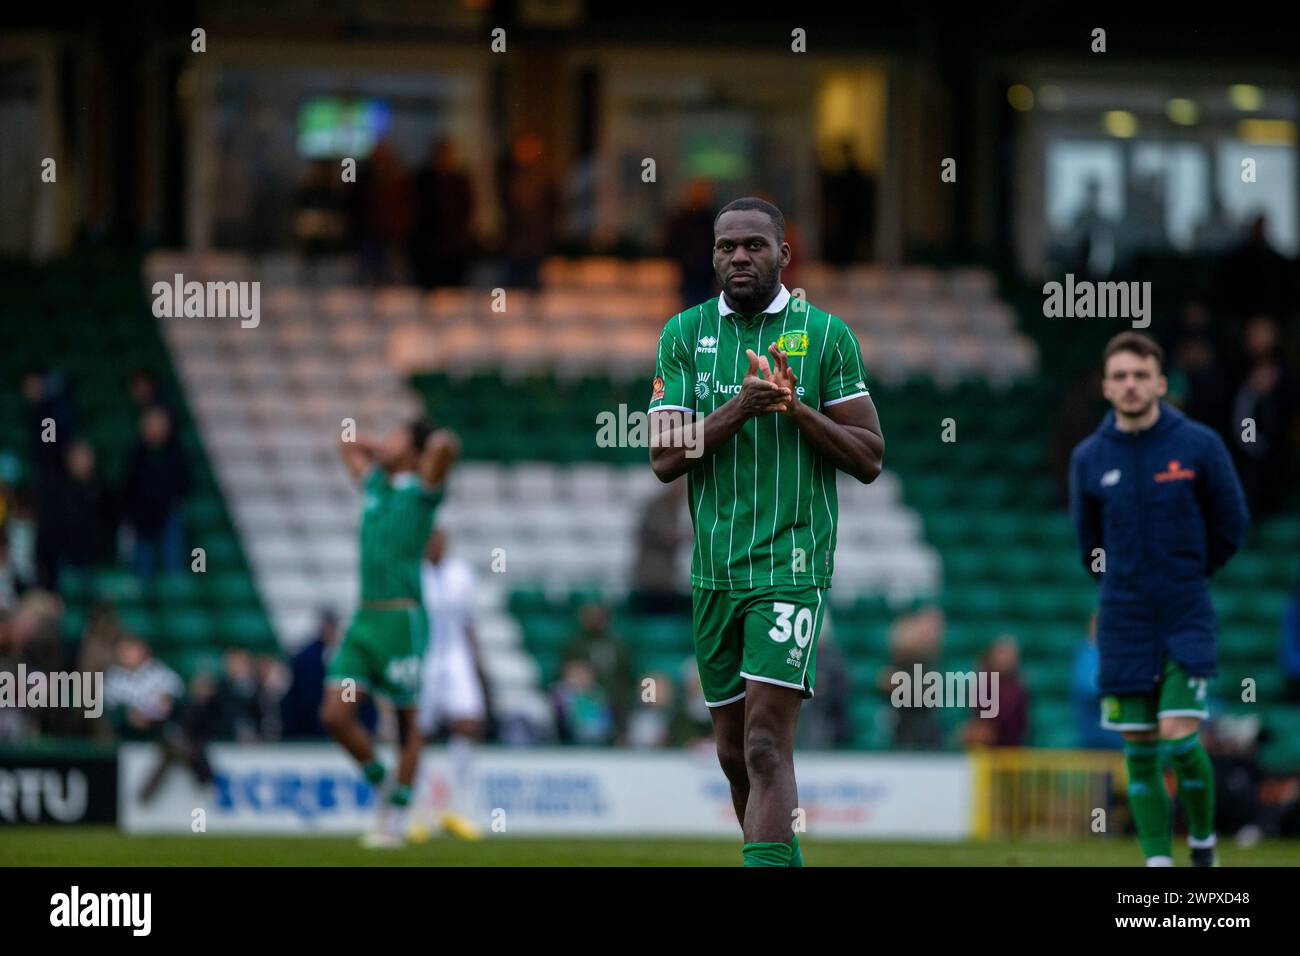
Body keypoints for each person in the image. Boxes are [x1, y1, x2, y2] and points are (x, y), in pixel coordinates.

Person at [647, 196, 885, 866]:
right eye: (727, 247)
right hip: (714, 572)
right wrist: (742, 408)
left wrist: (796, 409)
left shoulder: (827, 336)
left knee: (763, 745)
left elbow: (868, 456)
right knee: (731, 754)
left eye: (755, 245)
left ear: (784, 253)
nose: (740, 257)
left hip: (791, 567)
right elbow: (666, 457)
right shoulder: (682, 335)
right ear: (713, 255)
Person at [1069, 332, 1249, 867]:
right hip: (1123, 619)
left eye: (1140, 375)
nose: (1130, 385)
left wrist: (1188, 574)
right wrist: (1117, 586)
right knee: (1139, 750)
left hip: (1184, 613)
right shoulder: (1090, 458)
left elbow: (1232, 523)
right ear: (1106, 386)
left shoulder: (1199, 445)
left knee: (1179, 738)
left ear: (1160, 383)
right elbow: (1089, 544)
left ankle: (1201, 845)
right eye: (1120, 376)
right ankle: (1158, 867)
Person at [320, 418, 459, 848]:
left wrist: (403, 447)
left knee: (406, 724)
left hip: (403, 622)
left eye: (399, 434)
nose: (389, 438)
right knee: (335, 715)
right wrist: (383, 446)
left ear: (414, 450)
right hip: (364, 621)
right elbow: (344, 439)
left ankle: (397, 815)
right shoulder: (377, 486)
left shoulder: (422, 491)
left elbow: (446, 442)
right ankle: (384, 784)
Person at [414, 527, 488, 841]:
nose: (437, 544)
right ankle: (417, 812)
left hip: (455, 654)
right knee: (415, 731)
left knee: (468, 720)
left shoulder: (461, 573)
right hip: (422, 655)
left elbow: (468, 620)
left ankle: (457, 808)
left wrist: (477, 658)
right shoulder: (413, 574)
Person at [121, 406, 191, 580]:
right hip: (143, 518)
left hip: (169, 515)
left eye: (160, 424)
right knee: (141, 569)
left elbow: (185, 484)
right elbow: (129, 487)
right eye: (152, 424)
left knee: (173, 567)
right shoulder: (135, 455)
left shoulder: (177, 454)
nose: (156, 429)